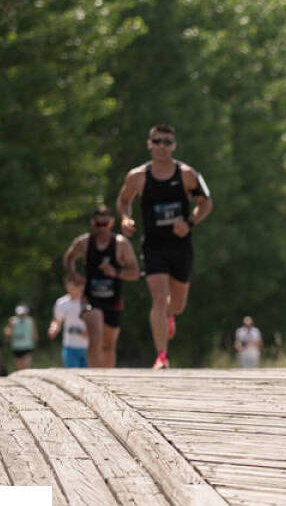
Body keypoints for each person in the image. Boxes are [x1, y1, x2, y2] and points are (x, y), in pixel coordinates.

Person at [117, 123, 214, 369]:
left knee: (177, 305)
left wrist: (190, 222)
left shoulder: (186, 174)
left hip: (180, 245)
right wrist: (126, 219)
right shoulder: (137, 176)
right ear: (149, 144)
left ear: (174, 145)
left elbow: (206, 203)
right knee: (159, 298)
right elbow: (124, 202)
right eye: (157, 141)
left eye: (167, 142)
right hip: (153, 245)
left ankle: (169, 317)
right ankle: (161, 356)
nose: (162, 147)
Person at [63, 205, 139, 368]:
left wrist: (116, 272)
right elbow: (69, 257)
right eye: (98, 224)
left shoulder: (121, 244)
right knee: (95, 338)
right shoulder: (84, 242)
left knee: (108, 345)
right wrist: (72, 275)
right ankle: (94, 376)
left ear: (111, 223)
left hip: (113, 300)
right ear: (92, 223)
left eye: (105, 224)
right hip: (91, 298)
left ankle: (108, 380)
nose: (102, 228)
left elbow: (134, 272)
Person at [48, 277, 90, 368]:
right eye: (69, 284)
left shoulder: (88, 302)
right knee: (73, 375)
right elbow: (57, 321)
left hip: (88, 347)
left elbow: (96, 322)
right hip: (69, 347)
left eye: (75, 284)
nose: (72, 286)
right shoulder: (61, 303)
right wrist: (53, 328)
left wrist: (90, 331)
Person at [4, 304, 37, 371]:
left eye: (23, 314)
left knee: (26, 366)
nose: (21, 315)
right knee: (18, 368)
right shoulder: (12, 320)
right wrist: (9, 328)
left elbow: (34, 332)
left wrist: (35, 340)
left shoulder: (30, 321)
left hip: (27, 346)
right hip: (16, 347)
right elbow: (7, 333)